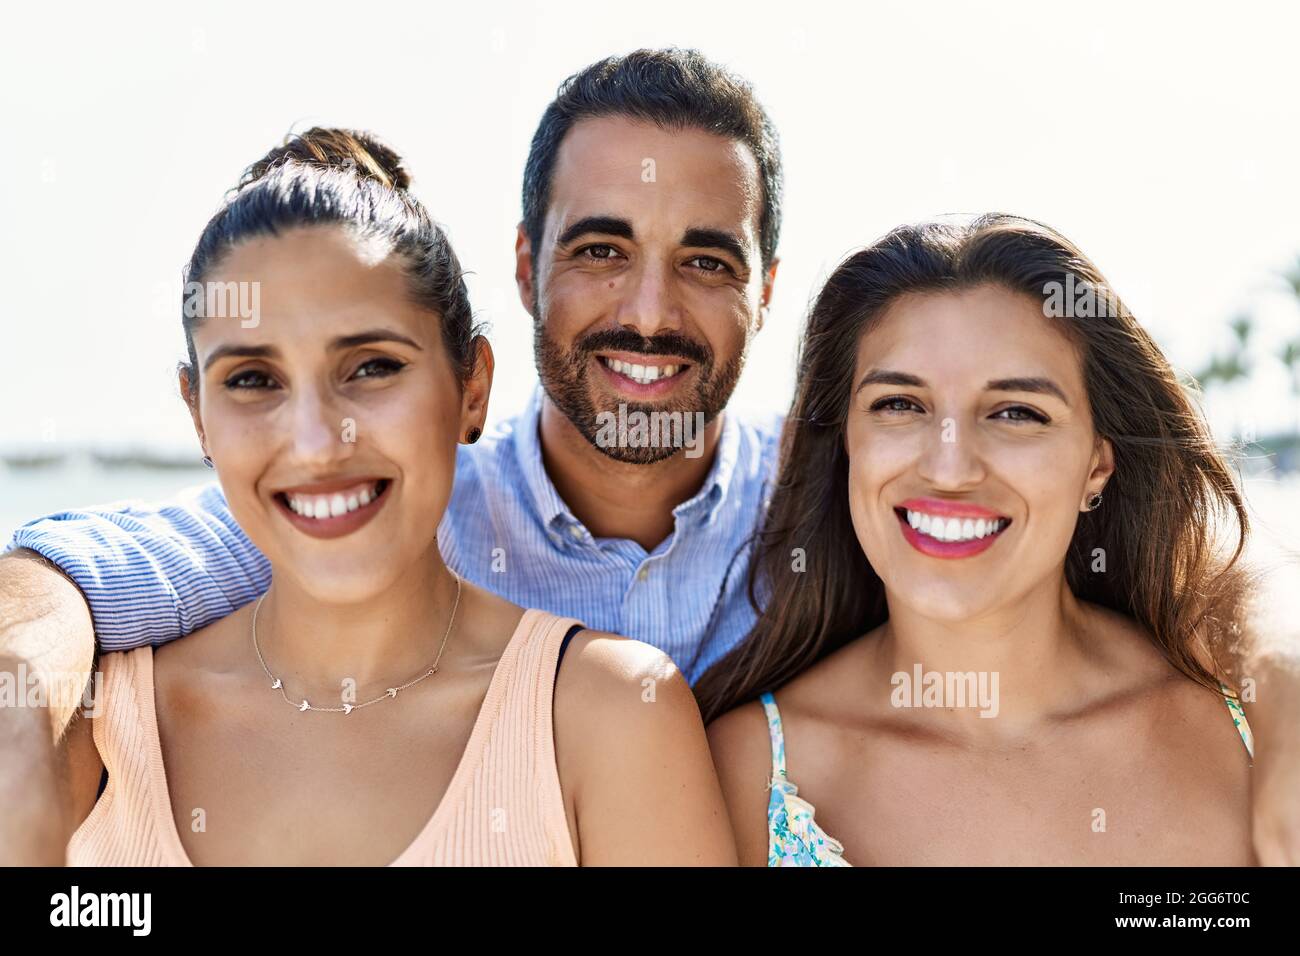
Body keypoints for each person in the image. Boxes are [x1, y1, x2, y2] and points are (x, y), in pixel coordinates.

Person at [1, 50, 1298, 865]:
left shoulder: (855, 505)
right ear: (524, 271)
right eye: (601, 247)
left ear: (769, 289)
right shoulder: (382, 509)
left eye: (708, 262)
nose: (650, 311)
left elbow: (1164, 552)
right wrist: (21, 697)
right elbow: (93, 563)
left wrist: (1283, 673)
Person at [54, 127, 734, 866]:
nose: (316, 442)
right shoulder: (83, 723)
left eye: (372, 366)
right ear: (198, 416)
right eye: (252, 380)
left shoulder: (608, 719)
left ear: (472, 386)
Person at [703, 215, 1261, 865]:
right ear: (846, 444)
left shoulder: (1251, 724)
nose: (950, 467)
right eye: (900, 405)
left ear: (1097, 465)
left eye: (1016, 413)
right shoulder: (747, 771)